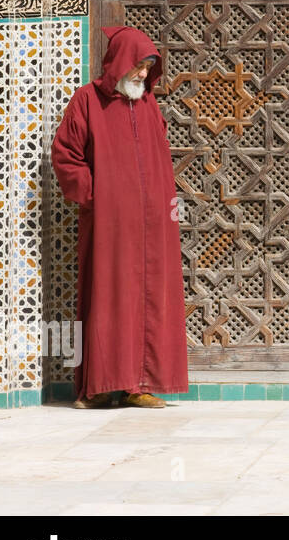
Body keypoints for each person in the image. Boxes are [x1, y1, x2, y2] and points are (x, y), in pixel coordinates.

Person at [51, 26, 189, 408]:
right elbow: (66, 155)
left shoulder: (148, 104)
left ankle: (138, 385)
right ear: (119, 62)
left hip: (153, 225)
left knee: (149, 299)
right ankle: (98, 387)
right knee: (108, 297)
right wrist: (96, 196)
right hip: (109, 224)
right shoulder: (87, 101)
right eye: (139, 66)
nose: (143, 74)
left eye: (148, 67)